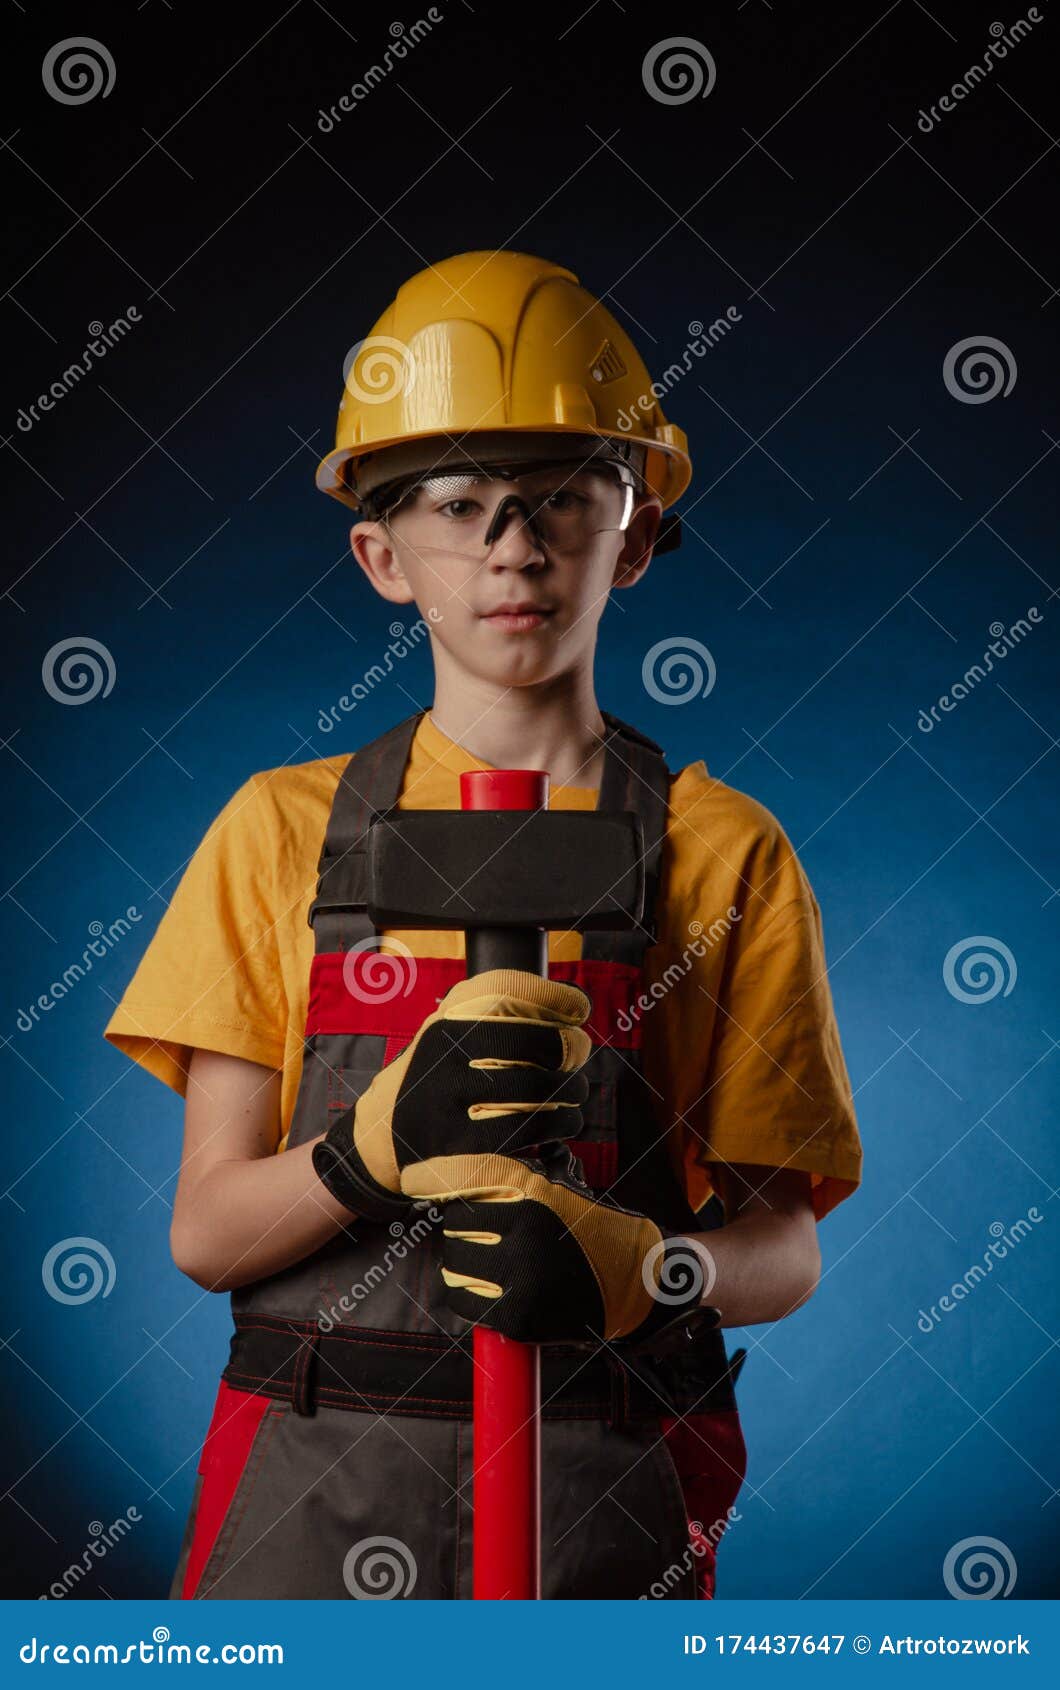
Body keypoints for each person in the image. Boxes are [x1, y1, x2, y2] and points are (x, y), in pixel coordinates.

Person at [104, 248, 863, 1601]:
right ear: (383, 554)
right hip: (311, 1494)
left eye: (562, 495)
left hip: (595, 1501)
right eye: (459, 501)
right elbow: (208, 1233)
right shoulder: (279, 833)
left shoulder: (722, 848)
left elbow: (783, 1246)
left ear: (632, 534)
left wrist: (652, 1266)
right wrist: (367, 1148)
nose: (514, 542)